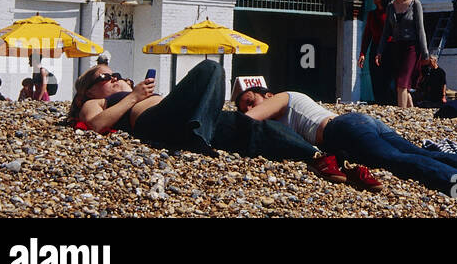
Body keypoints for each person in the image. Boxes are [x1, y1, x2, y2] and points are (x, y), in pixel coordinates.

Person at [68, 61, 346, 182]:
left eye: (115, 73)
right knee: (212, 68)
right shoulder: (96, 102)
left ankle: (317, 156)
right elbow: (95, 125)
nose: (114, 78)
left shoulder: (128, 90)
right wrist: (134, 97)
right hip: (155, 122)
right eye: (105, 77)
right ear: (88, 90)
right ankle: (198, 134)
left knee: (254, 126)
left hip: (188, 119)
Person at [235, 84, 457, 204]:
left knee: (400, 161)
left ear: (266, 94)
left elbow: (249, 121)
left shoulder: (281, 97)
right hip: (358, 122)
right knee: (414, 152)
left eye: (250, 100)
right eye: (243, 105)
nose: (247, 107)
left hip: (341, 130)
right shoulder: (284, 109)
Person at [374, 0, 429, 109]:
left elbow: (420, 29)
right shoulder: (390, 7)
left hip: (411, 47)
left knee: (402, 82)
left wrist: (425, 54)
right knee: (401, 83)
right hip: (396, 47)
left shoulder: (415, 4)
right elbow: (386, 32)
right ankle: (411, 113)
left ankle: (401, 114)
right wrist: (379, 51)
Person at [357, 0, 391, 105]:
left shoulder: (390, 12)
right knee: (375, 78)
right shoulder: (372, 14)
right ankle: (379, 103)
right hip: (375, 49)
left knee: (386, 79)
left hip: (389, 50)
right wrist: (362, 53)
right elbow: (367, 35)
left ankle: (388, 104)